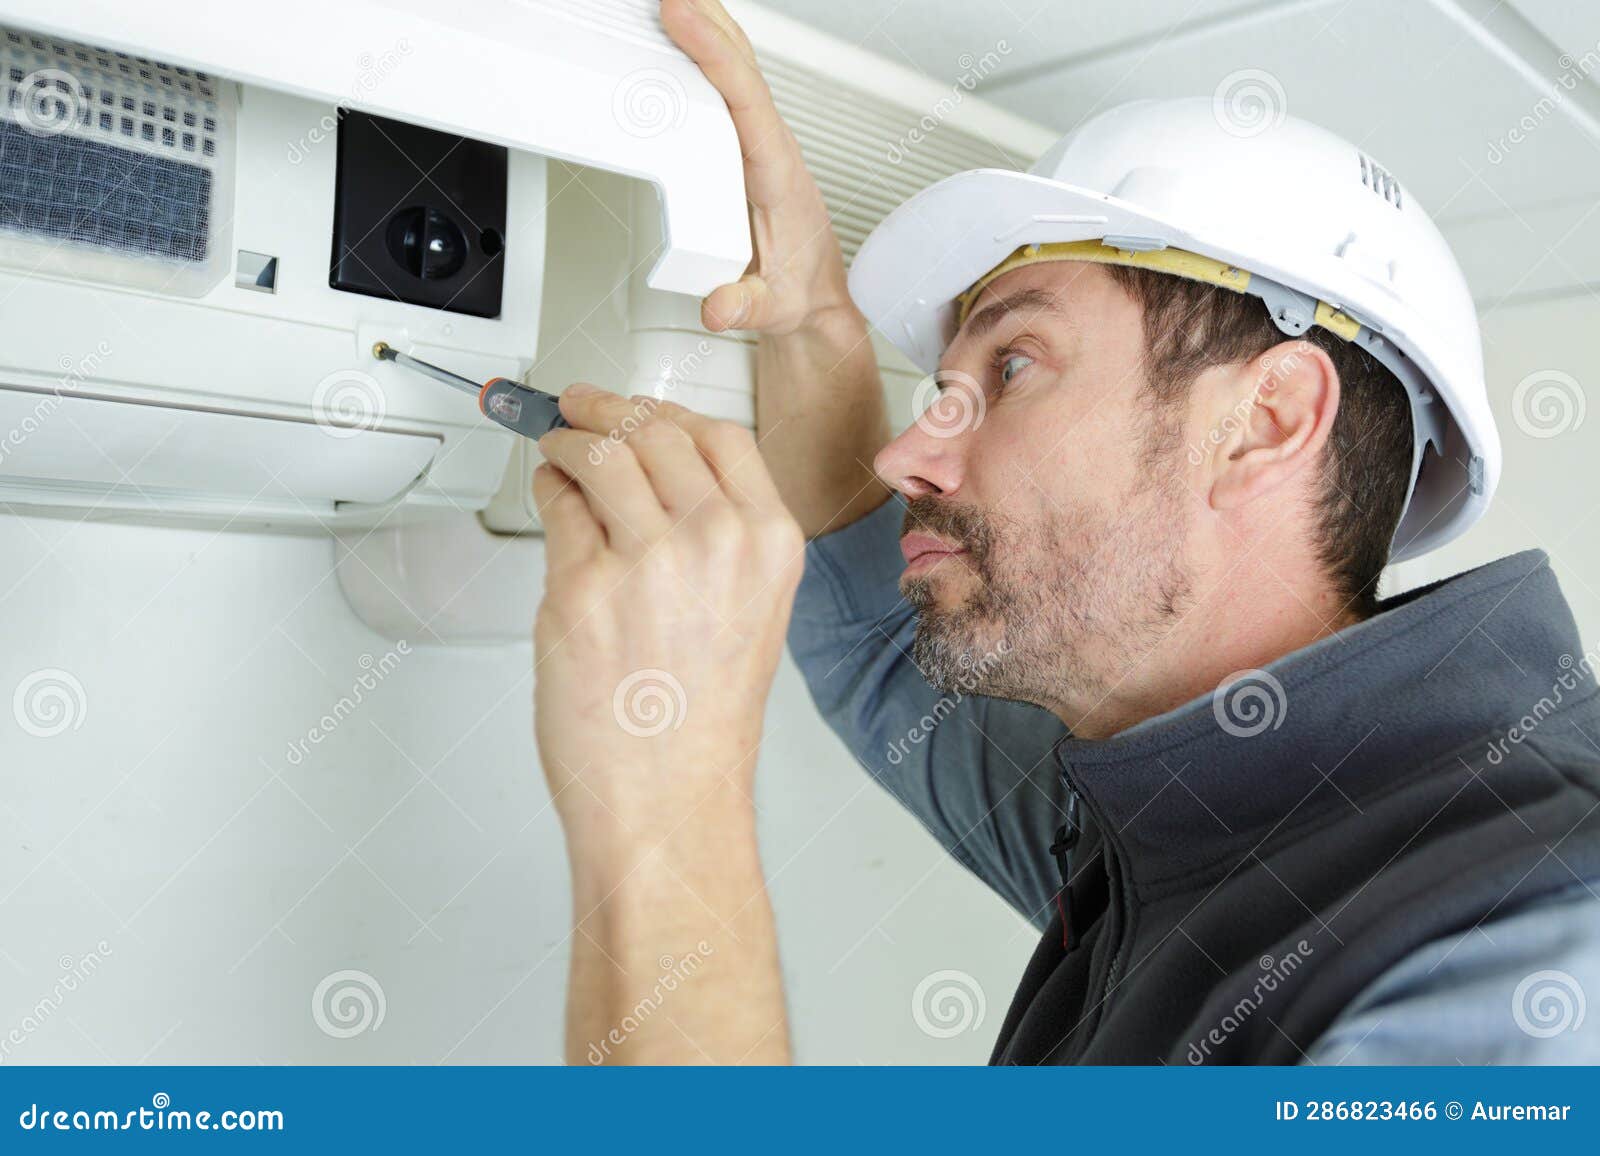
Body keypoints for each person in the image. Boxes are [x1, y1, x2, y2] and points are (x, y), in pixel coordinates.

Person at [530, 0, 1600, 1064]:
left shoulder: (1534, 939)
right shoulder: (1180, 810)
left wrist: (659, 787)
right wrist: (810, 322)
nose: (904, 458)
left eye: (1012, 367)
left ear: (1262, 422)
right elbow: (876, 640)